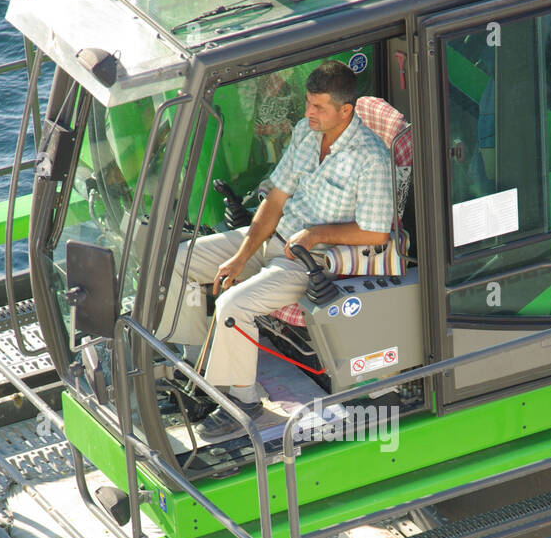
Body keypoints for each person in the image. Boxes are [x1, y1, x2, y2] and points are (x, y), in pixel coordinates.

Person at [164, 60, 393, 438]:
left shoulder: (371, 159)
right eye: (308, 103)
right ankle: (194, 368)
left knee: (232, 305)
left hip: (309, 262)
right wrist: (240, 256)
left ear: (345, 111)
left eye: (318, 107)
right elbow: (275, 200)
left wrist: (317, 234)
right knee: (179, 261)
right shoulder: (306, 132)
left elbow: (375, 234)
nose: (307, 113)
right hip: (272, 240)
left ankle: (244, 402)